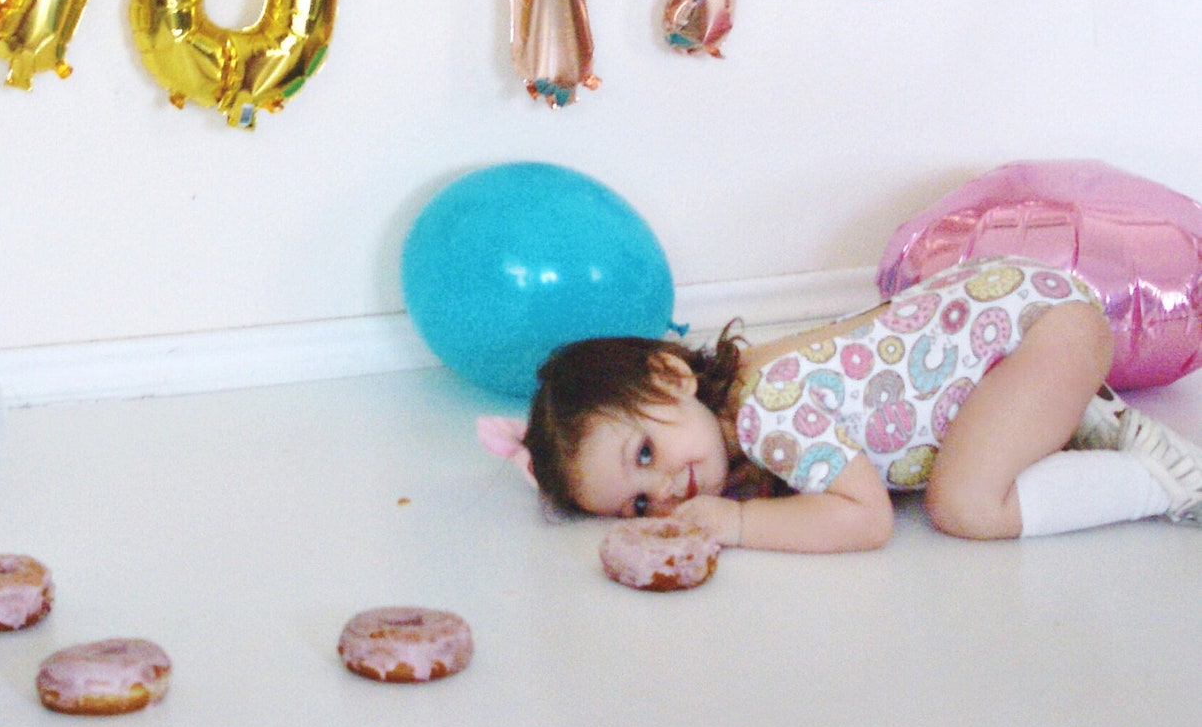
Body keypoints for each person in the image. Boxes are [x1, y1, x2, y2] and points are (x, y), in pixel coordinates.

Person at [478, 259, 1202, 550]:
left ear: (671, 376)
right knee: (969, 466)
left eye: (645, 453)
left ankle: (1159, 479)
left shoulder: (767, 411)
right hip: (1025, 330)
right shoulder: (746, 393)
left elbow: (866, 517)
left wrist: (736, 521)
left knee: (965, 505)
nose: (664, 489)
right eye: (639, 504)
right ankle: (1087, 421)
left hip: (1038, 332)